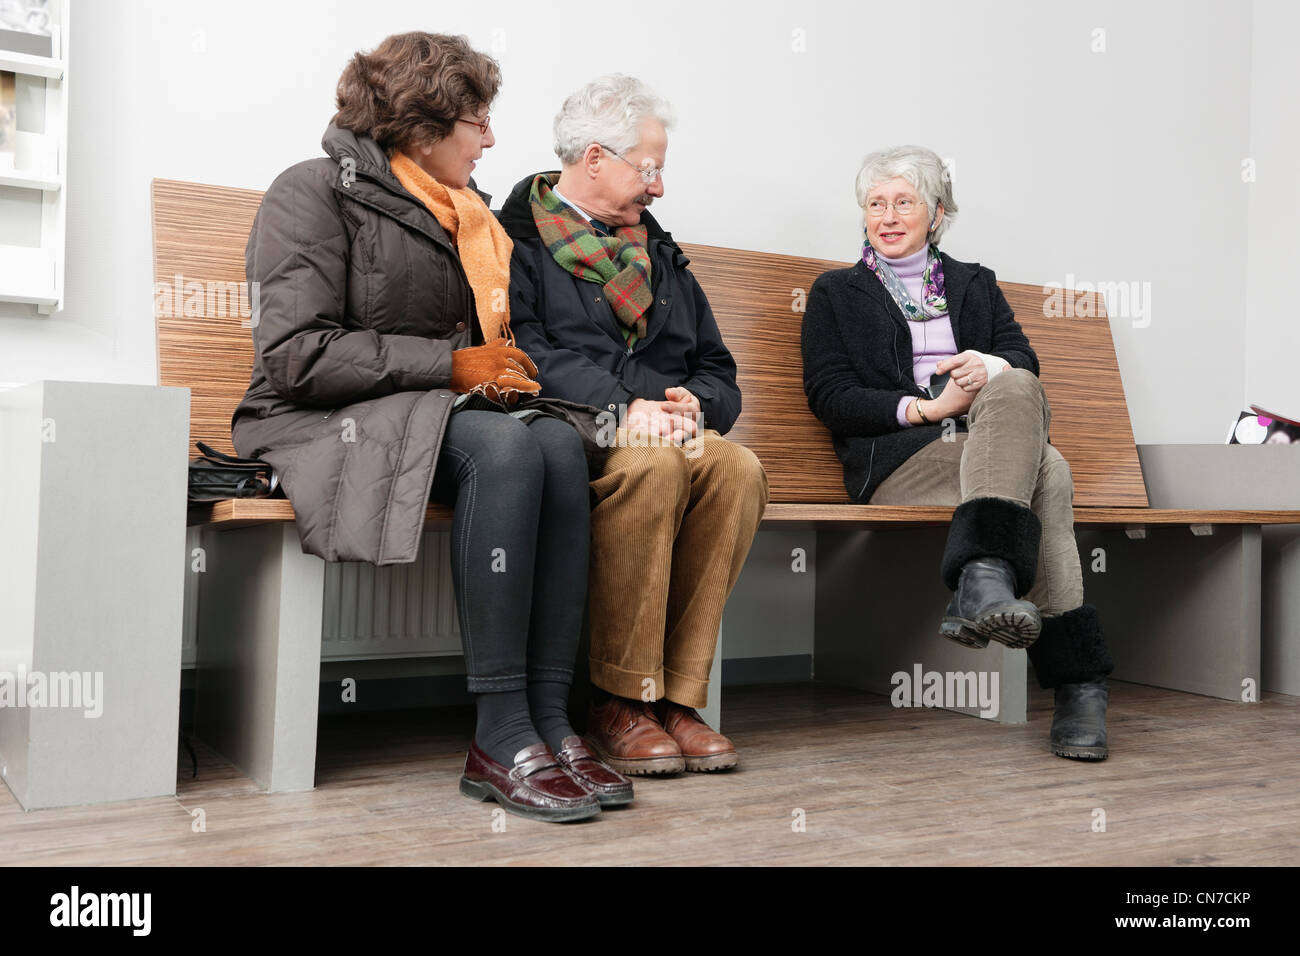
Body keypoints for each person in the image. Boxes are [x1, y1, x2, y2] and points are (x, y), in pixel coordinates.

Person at [231, 32, 631, 821]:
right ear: (423, 122)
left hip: (418, 411)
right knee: (505, 447)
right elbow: (294, 355)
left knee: (554, 439)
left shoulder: (466, 216)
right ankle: (499, 730)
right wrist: (454, 366)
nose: (492, 139)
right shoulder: (311, 191)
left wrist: (488, 374)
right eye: (477, 121)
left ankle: (551, 716)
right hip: (316, 419)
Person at [801, 145, 1112, 759]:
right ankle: (1079, 685)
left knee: (1017, 383)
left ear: (936, 213)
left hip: (987, 444)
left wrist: (987, 368)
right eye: (875, 204)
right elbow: (830, 396)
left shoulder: (976, 284)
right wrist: (928, 409)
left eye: (904, 202)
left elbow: (1024, 361)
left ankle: (983, 579)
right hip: (898, 457)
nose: (887, 216)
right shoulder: (836, 292)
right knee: (1051, 474)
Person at [499, 75, 769, 775]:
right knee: (652, 463)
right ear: (595, 158)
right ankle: (620, 698)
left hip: (661, 430)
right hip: (572, 429)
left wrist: (696, 407)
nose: (657, 188)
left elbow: (717, 366)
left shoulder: (663, 255)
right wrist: (626, 410)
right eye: (649, 169)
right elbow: (524, 351)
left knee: (736, 467)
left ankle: (675, 700)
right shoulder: (515, 241)